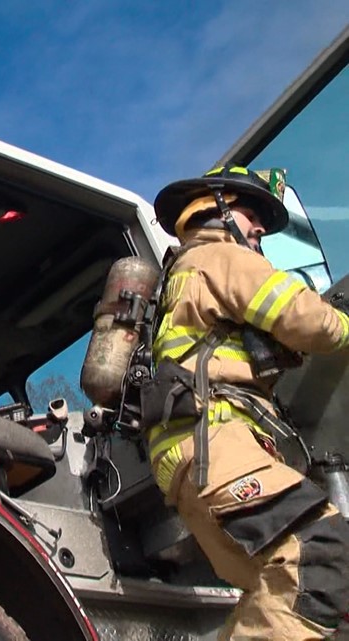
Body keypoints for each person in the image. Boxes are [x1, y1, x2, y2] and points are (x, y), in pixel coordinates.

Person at [147, 165, 349, 639]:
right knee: (319, 551)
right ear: (214, 208)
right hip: (215, 441)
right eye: (250, 212)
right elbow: (304, 319)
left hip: (193, 453)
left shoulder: (182, 273)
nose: (259, 227)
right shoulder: (220, 255)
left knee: (282, 587)